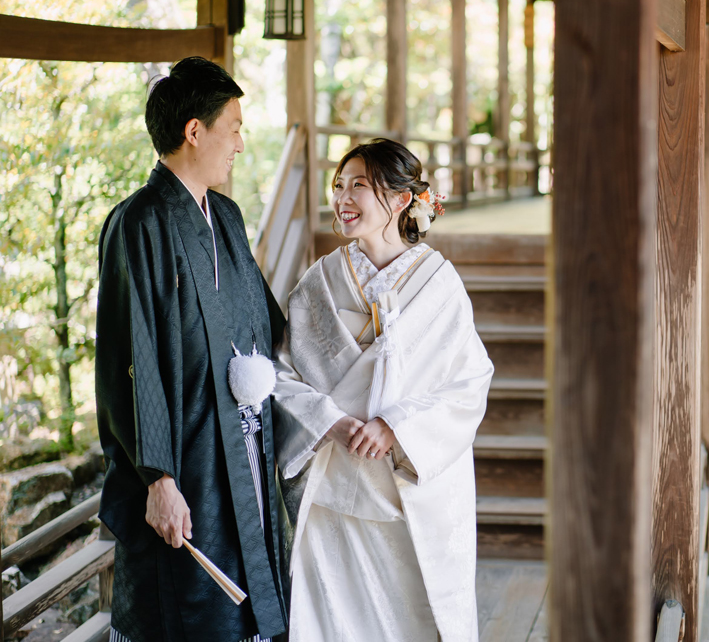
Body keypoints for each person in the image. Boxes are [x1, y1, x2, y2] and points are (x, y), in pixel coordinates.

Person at [95, 57, 288, 642]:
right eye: (234, 128)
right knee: (185, 604)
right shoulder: (138, 223)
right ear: (194, 131)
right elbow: (131, 360)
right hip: (186, 457)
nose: (241, 144)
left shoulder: (225, 215)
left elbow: (265, 320)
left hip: (243, 442)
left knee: (250, 595)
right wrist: (158, 478)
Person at [273, 138, 492, 642]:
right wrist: (330, 421)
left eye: (359, 186)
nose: (343, 198)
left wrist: (396, 425)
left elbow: (469, 382)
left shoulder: (439, 283)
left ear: (400, 200)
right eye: (339, 186)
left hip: (405, 488)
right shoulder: (320, 280)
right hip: (333, 486)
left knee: (412, 620)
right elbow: (283, 374)